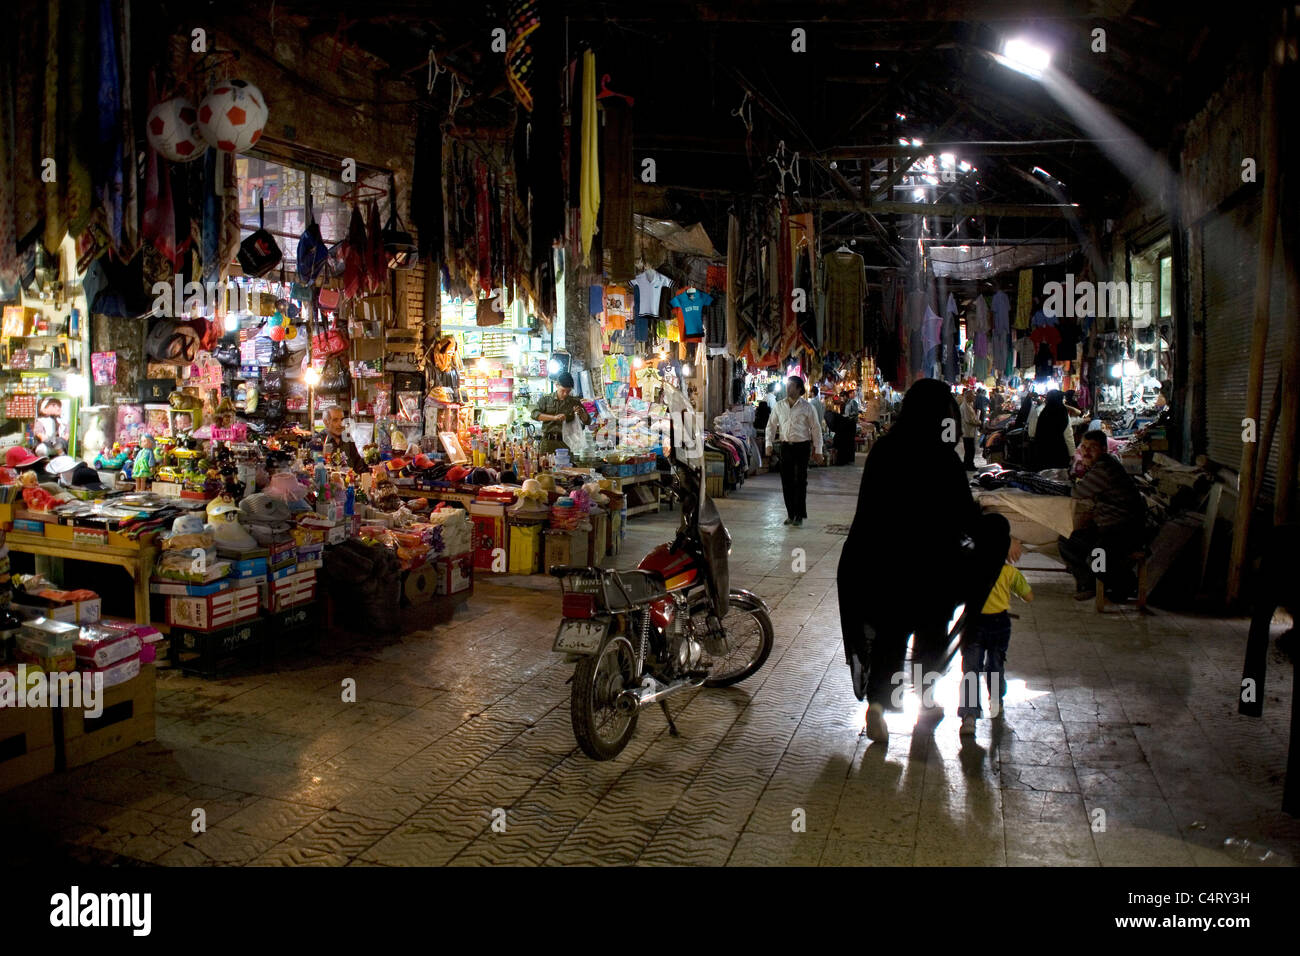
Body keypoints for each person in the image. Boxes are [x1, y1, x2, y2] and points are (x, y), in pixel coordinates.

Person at [838, 379, 981, 742]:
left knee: (890, 639)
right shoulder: (943, 456)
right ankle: (926, 707)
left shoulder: (884, 450)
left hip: (886, 568)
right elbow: (964, 514)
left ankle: (878, 708)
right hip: (933, 570)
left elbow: (867, 510)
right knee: (930, 641)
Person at [957, 514, 1033, 736]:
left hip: (973, 623)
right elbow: (1029, 597)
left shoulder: (969, 567)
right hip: (1000, 624)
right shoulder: (1010, 572)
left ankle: (969, 717)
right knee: (996, 663)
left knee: (970, 669)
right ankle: (997, 698)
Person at [1058, 430, 1147, 601]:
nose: (1086, 452)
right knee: (1067, 541)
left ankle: (1125, 586)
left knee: (1097, 558)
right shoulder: (1102, 465)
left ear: (1104, 449)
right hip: (1108, 527)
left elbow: (1078, 491)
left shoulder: (1104, 469)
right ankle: (1090, 584)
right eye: (1084, 447)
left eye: (1092, 447)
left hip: (1123, 529)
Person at [765, 375, 824, 527]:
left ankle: (799, 514)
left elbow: (816, 429)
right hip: (785, 447)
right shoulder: (779, 405)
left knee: (800, 481)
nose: (787, 388)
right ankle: (791, 513)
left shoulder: (807, 407)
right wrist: (768, 444)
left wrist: (818, 450)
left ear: (799, 389)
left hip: (802, 447)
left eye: (791, 386)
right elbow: (771, 426)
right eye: (787, 385)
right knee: (787, 481)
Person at [531, 372, 591, 454]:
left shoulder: (574, 402)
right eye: (563, 390)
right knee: (545, 465)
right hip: (548, 442)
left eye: (568, 391)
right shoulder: (546, 399)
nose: (565, 394)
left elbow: (587, 421)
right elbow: (534, 414)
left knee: (567, 466)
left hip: (567, 443)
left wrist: (581, 413)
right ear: (557, 385)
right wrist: (554, 418)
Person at [1030, 389, 1072, 469]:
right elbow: (1067, 435)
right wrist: (1072, 454)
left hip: (1042, 450)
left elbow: (1033, 432)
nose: (1065, 400)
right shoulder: (1062, 411)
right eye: (1063, 398)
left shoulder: (1044, 411)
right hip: (1058, 450)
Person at [319, 405, 366, 471]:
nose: (340, 424)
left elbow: (358, 463)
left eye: (342, 419)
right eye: (335, 420)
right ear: (326, 422)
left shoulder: (347, 437)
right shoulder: (319, 441)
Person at [960, 388, 980, 470]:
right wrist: (978, 422)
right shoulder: (965, 406)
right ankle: (969, 465)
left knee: (970, 450)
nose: (974, 397)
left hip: (969, 431)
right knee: (970, 450)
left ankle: (968, 464)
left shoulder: (969, 405)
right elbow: (969, 420)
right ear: (968, 396)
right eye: (972, 395)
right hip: (967, 432)